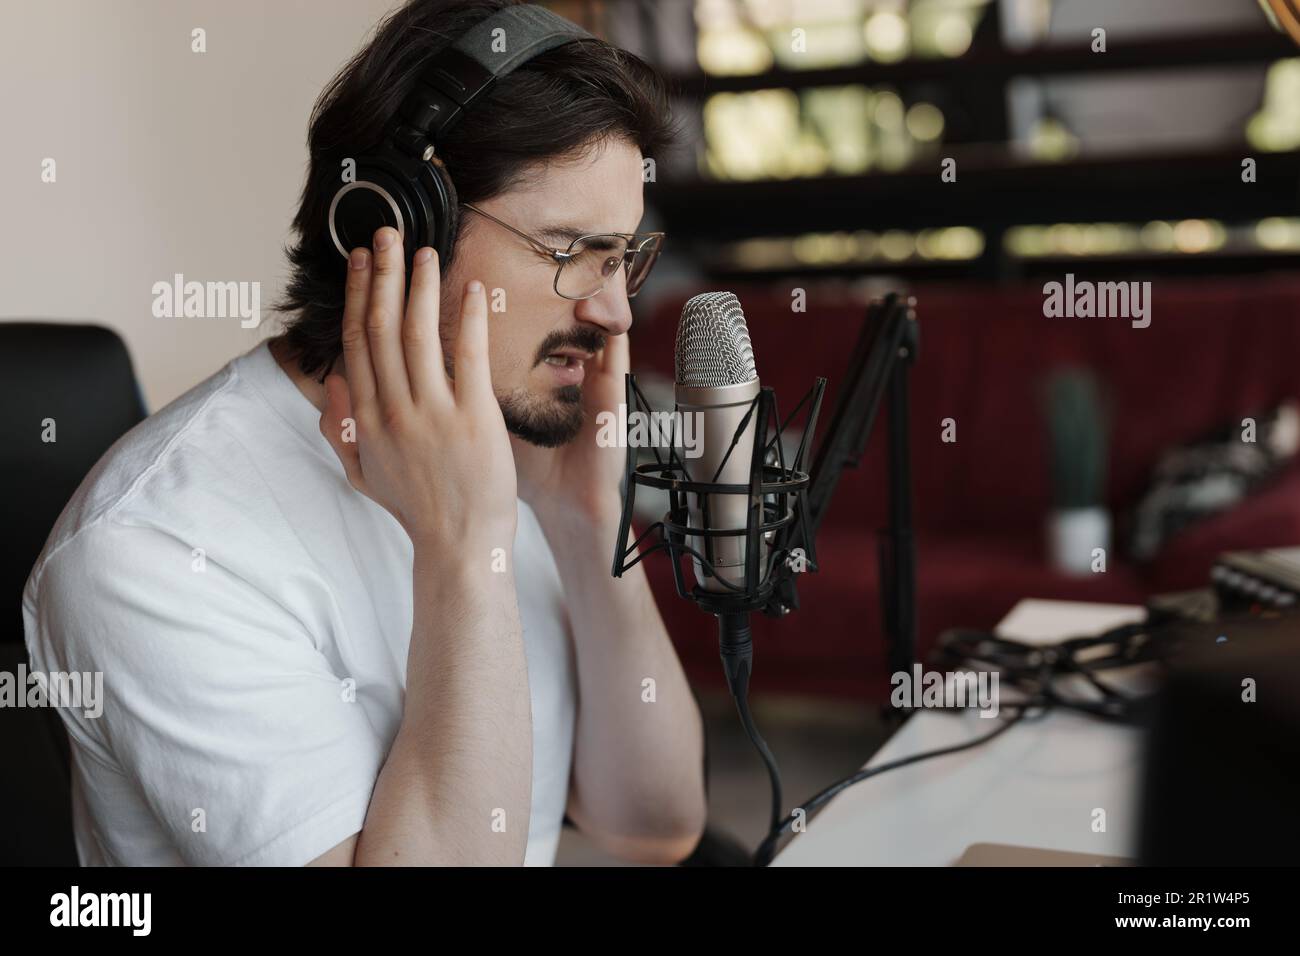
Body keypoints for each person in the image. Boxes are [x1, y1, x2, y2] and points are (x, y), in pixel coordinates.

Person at [22, 0, 706, 866]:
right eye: (572, 251)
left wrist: (582, 522)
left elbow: (654, 827)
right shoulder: (149, 554)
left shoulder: (511, 446)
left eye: (622, 258)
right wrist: (462, 549)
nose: (613, 311)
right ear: (391, 226)